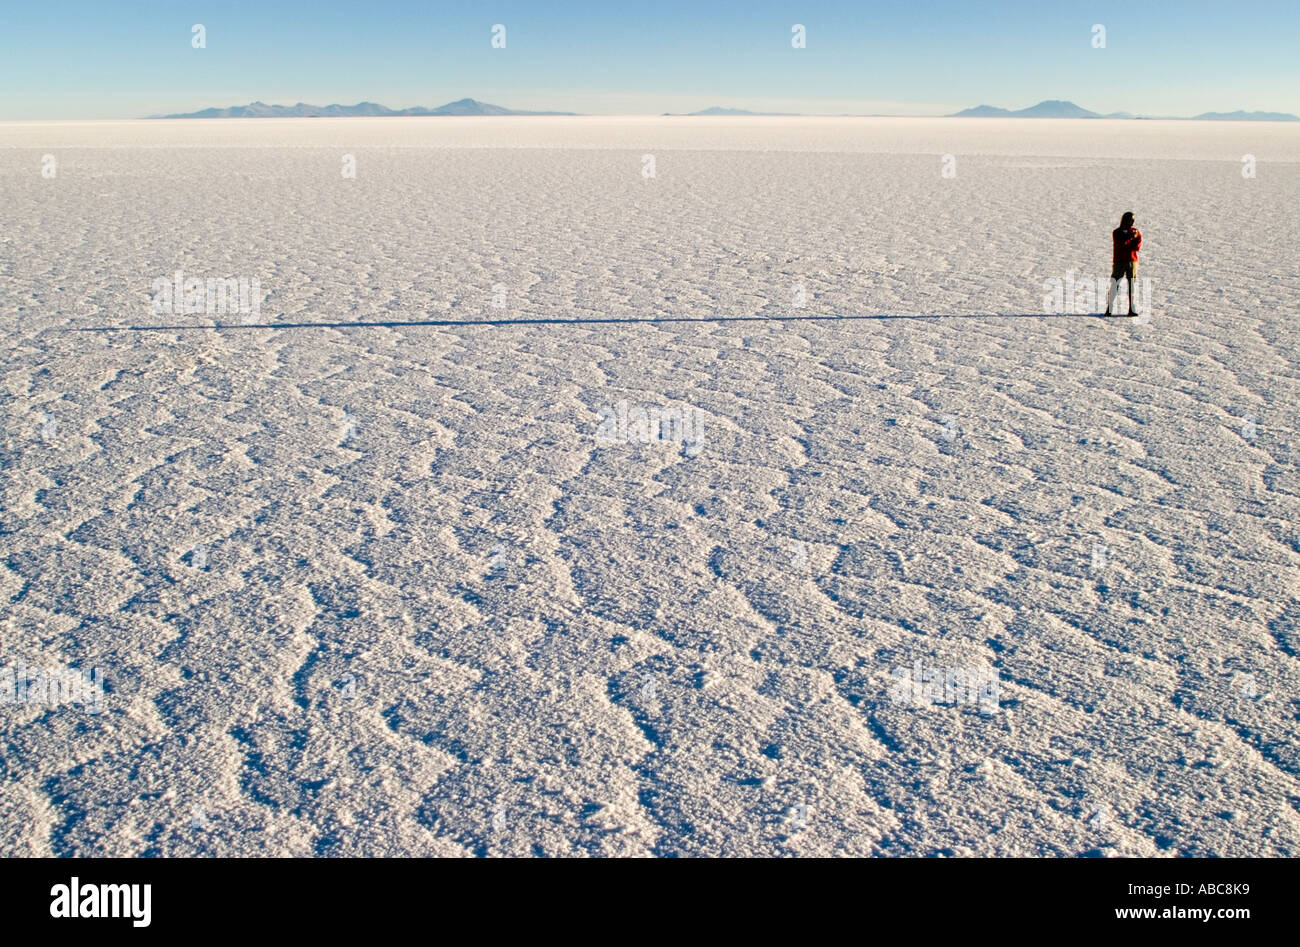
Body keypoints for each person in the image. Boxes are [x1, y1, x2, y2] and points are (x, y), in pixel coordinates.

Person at [1105, 211, 1142, 317]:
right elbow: (1121, 244)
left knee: (1132, 285)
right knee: (1115, 283)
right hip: (1119, 261)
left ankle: (1131, 308)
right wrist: (1130, 238)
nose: (1132, 222)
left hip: (1132, 261)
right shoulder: (1117, 232)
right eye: (1131, 219)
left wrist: (1131, 239)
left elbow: (1137, 246)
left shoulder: (1135, 232)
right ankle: (1110, 308)